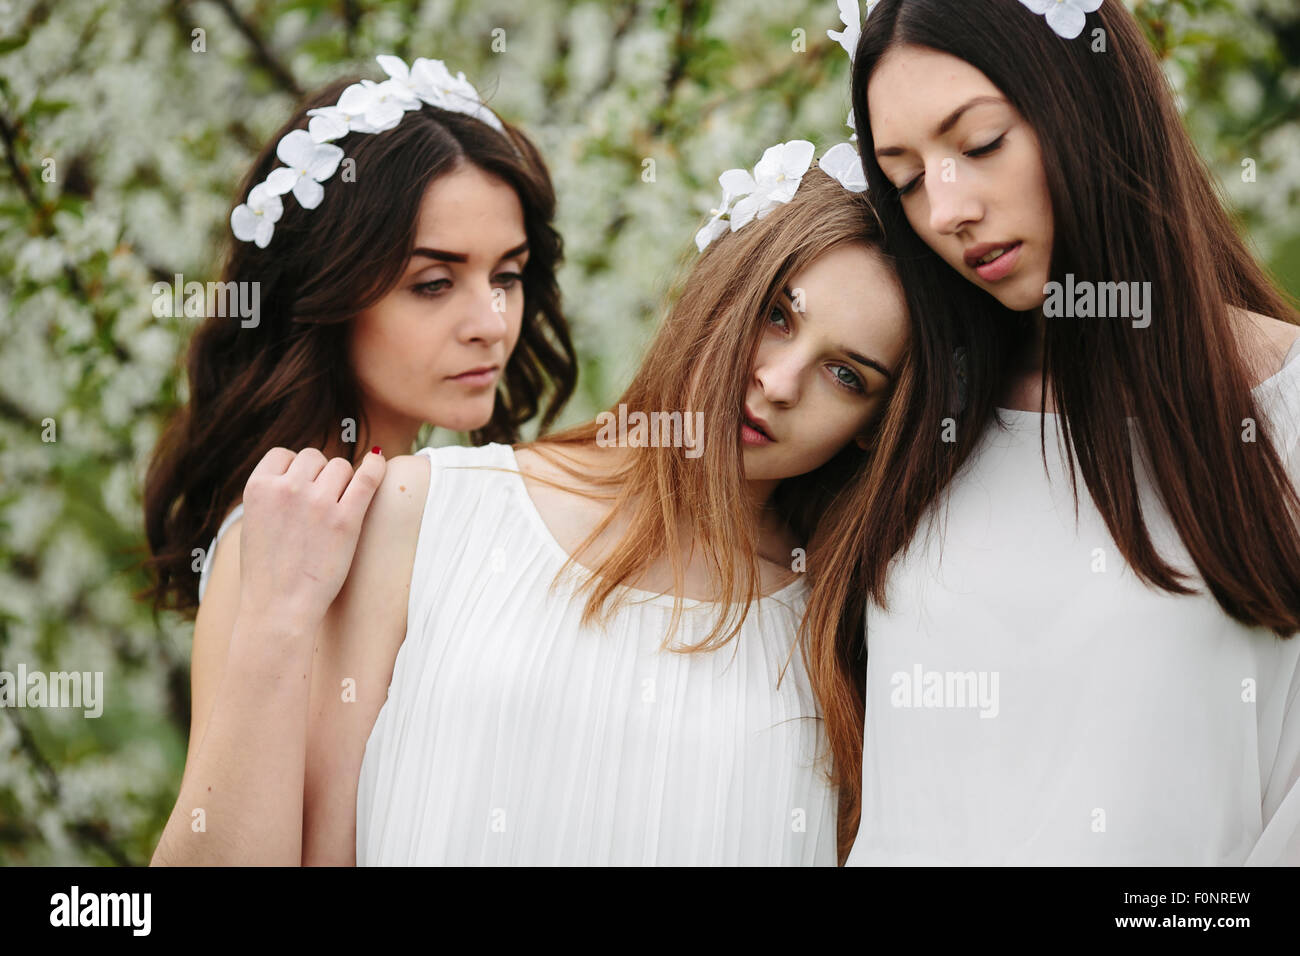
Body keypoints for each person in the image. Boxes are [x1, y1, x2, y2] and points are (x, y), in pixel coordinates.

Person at [150, 137, 917, 865]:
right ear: (722, 291)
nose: (780, 383)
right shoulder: (418, 514)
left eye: (848, 375)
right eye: (777, 315)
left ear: (872, 428)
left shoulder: (847, 635)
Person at [806, 0, 1300, 864]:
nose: (946, 210)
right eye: (908, 179)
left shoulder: (1283, 409)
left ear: (1088, 100)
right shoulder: (914, 415)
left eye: (980, 143)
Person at [142, 55, 577, 616]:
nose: (491, 325)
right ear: (324, 289)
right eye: (434, 284)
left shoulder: (430, 507)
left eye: (507, 277)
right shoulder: (279, 547)